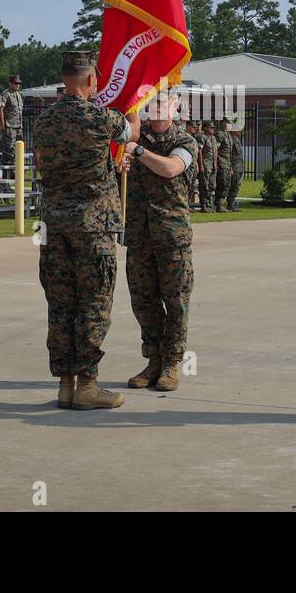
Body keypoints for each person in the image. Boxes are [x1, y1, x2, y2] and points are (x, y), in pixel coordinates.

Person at [33, 50, 138, 410]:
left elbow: (42, 164)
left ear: (64, 78)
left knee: (60, 303)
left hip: (51, 225)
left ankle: (65, 383)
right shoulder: (101, 119)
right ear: (91, 80)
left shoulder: (43, 121)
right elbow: (131, 130)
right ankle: (88, 384)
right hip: (92, 227)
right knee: (93, 303)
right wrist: (136, 101)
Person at [119, 91, 197, 392]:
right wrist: (121, 163)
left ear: (175, 106)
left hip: (171, 236)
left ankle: (171, 363)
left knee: (175, 300)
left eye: (162, 104)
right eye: (149, 105)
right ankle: (153, 360)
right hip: (139, 234)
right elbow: (119, 174)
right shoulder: (136, 139)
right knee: (143, 300)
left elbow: (171, 168)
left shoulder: (185, 141)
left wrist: (137, 152)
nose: (155, 110)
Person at [0, 74, 24, 162]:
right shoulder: (6, 94)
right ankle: (10, 174)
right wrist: (2, 124)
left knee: (19, 149)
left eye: (19, 83)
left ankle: (13, 172)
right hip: (9, 126)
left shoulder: (18, 94)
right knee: (9, 151)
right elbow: (0, 109)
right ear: (10, 83)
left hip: (18, 127)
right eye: (15, 83)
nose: (18, 85)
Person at [197, 120, 218, 213]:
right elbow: (200, 152)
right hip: (206, 165)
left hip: (213, 166)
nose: (213, 129)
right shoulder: (202, 137)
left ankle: (209, 204)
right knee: (204, 186)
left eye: (213, 128)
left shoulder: (213, 138)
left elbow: (216, 152)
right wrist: (201, 165)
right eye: (211, 127)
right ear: (205, 128)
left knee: (212, 186)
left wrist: (216, 164)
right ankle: (204, 205)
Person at [214, 118, 233, 211]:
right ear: (223, 123)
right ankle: (218, 205)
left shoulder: (228, 135)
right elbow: (216, 149)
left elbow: (229, 152)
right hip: (222, 163)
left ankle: (221, 204)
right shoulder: (220, 134)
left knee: (227, 185)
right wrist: (218, 162)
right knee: (222, 184)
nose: (229, 125)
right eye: (227, 123)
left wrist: (231, 167)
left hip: (228, 164)